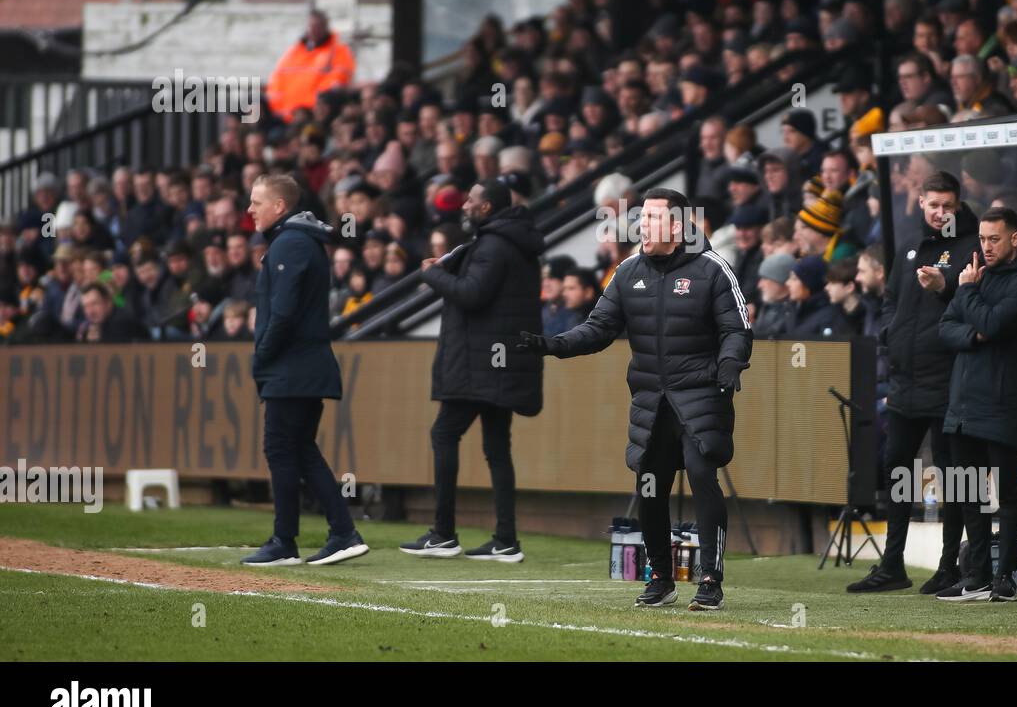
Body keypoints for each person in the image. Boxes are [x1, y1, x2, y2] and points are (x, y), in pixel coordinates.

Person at [517, 188, 752, 611]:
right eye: (641, 219)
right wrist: (552, 345)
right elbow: (597, 329)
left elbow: (736, 327)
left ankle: (711, 580)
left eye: (653, 219)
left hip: (702, 393)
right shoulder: (627, 272)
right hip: (651, 399)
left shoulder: (714, 268)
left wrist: (732, 364)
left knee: (702, 475)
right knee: (649, 485)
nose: (643, 226)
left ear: (678, 227)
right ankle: (660, 577)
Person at [400, 179, 544, 563]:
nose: (464, 204)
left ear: (487, 208)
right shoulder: (511, 242)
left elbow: (472, 294)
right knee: (497, 447)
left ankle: (444, 533)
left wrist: (432, 275)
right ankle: (506, 540)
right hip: (497, 361)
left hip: (479, 364)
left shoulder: (493, 244)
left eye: (471, 199)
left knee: (443, 433)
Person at [849, 171, 978, 594]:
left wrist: (944, 288)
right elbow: (890, 299)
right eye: (934, 205)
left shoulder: (971, 247)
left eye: (948, 206)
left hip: (947, 380)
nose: (941, 213)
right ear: (920, 202)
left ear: (958, 206)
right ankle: (892, 565)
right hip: (905, 380)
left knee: (952, 477)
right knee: (897, 471)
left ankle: (948, 566)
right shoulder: (907, 244)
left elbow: (973, 308)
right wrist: (889, 332)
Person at [241, 174, 368, 567]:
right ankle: (342, 532)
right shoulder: (297, 240)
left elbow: (283, 312)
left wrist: (261, 355)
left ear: (279, 206)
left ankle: (285, 540)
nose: (250, 210)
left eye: (256, 202)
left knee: (281, 448)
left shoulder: (291, 243)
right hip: (301, 365)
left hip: (292, 368)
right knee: (300, 449)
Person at [936, 207, 1017, 602]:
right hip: (963, 403)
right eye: (982, 239)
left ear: (1015, 238)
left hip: (1003, 402)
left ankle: (1006, 577)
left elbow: (997, 323)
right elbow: (945, 329)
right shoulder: (974, 273)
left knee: (1007, 493)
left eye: (994, 239)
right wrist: (976, 334)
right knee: (967, 492)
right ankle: (977, 576)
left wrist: (967, 293)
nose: (985, 246)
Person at [266, 10, 356, 122]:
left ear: (326, 27)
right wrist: (278, 111)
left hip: (315, 116)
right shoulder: (292, 53)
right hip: (287, 117)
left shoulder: (338, 52)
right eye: (312, 26)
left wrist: (311, 109)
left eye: (318, 26)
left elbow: (336, 81)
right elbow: (276, 84)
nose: (314, 30)